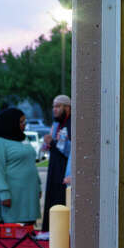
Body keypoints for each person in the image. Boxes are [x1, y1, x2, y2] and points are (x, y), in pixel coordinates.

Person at [0, 108, 41, 225]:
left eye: (25, 122)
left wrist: (39, 185)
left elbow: (30, 162)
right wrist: (4, 193)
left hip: (29, 195)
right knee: (14, 236)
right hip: (12, 197)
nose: (24, 125)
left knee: (28, 232)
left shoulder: (24, 138)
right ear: (11, 122)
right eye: (21, 122)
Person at [41, 94, 71, 231]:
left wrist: (53, 142)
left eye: (58, 106)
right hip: (54, 169)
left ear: (67, 107)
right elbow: (52, 147)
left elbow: (71, 150)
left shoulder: (72, 124)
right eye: (53, 106)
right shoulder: (56, 124)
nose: (55, 109)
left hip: (65, 171)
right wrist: (47, 143)